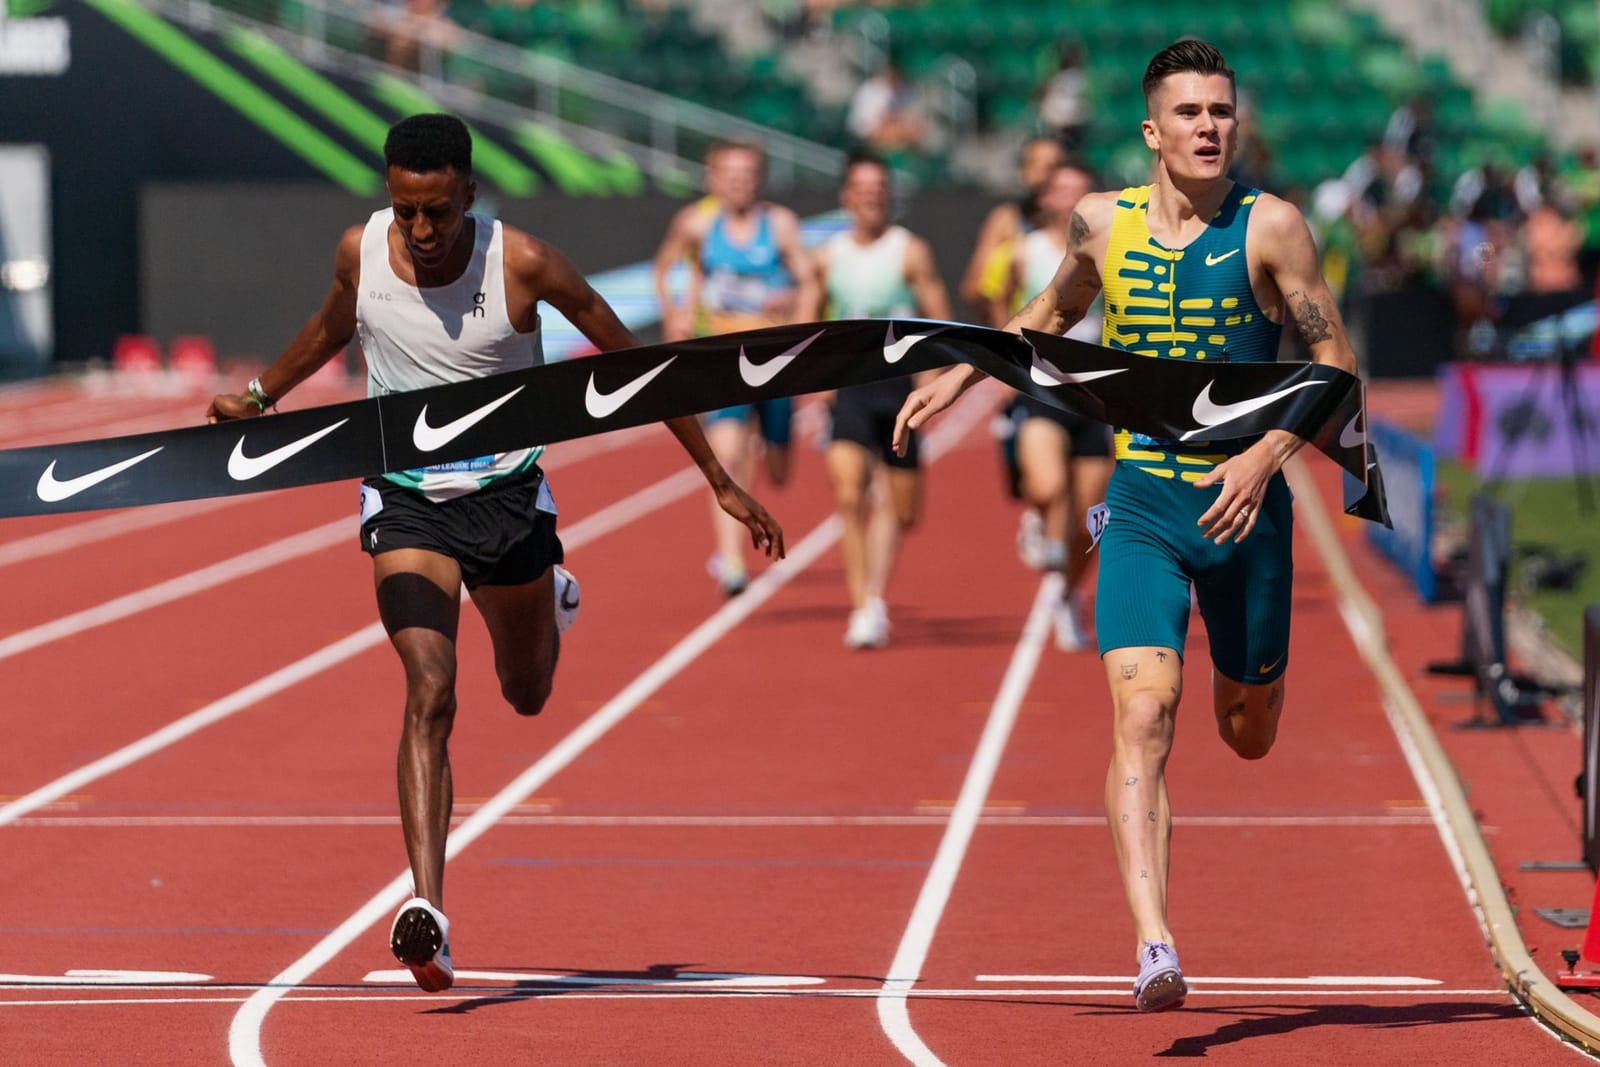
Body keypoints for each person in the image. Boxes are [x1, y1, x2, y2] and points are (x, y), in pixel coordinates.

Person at [207, 114, 785, 993]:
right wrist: (259, 394)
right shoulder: (361, 251)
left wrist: (716, 478)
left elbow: (639, 367)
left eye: (438, 211)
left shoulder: (524, 264)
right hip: (406, 503)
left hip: (508, 503)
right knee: (429, 688)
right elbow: (332, 326)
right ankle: (429, 914)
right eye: (406, 212)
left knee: (527, 693)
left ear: (469, 195)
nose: (423, 232)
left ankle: (551, 601)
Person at [893, 39, 1362, 1012]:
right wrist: (962, 363)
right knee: (1141, 713)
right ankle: (1155, 944)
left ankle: (1256, 681)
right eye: (1189, 113)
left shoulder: (1272, 230)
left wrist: (1264, 454)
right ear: (1152, 130)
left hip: (1246, 511)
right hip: (1144, 499)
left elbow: (1333, 368)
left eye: (1222, 112)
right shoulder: (1099, 222)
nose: (1208, 127)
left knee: (1247, 731)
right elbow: (1050, 310)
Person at [652, 139, 817, 596]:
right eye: (730, 174)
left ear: (758, 179)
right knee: (728, 455)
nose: (738, 183)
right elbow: (665, 269)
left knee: (779, 471)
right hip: (724, 358)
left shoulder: (779, 224)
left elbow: (808, 281)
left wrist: (798, 322)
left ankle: (764, 447)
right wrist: (676, 315)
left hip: (775, 360)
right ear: (713, 178)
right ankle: (732, 561)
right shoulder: (697, 225)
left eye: (747, 175)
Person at [805, 153, 951, 648]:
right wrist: (816, 377)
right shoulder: (828, 256)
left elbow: (939, 321)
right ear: (847, 196)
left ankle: (875, 593)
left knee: (903, 510)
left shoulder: (910, 251)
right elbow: (808, 325)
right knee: (848, 498)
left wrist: (929, 382)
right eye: (861, 188)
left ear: (888, 196)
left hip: (900, 390)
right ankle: (865, 605)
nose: (870, 196)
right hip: (850, 387)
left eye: (878, 188)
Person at [994, 159, 1113, 651]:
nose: (1068, 200)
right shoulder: (1021, 252)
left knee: (1092, 515)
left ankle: (1067, 594)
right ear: (1045, 198)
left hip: (1093, 392)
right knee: (1048, 484)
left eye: (1078, 191)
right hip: (1040, 384)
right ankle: (1039, 515)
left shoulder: (1110, 248)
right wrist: (1006, 355)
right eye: (1060, 190)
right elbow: (997, 299)